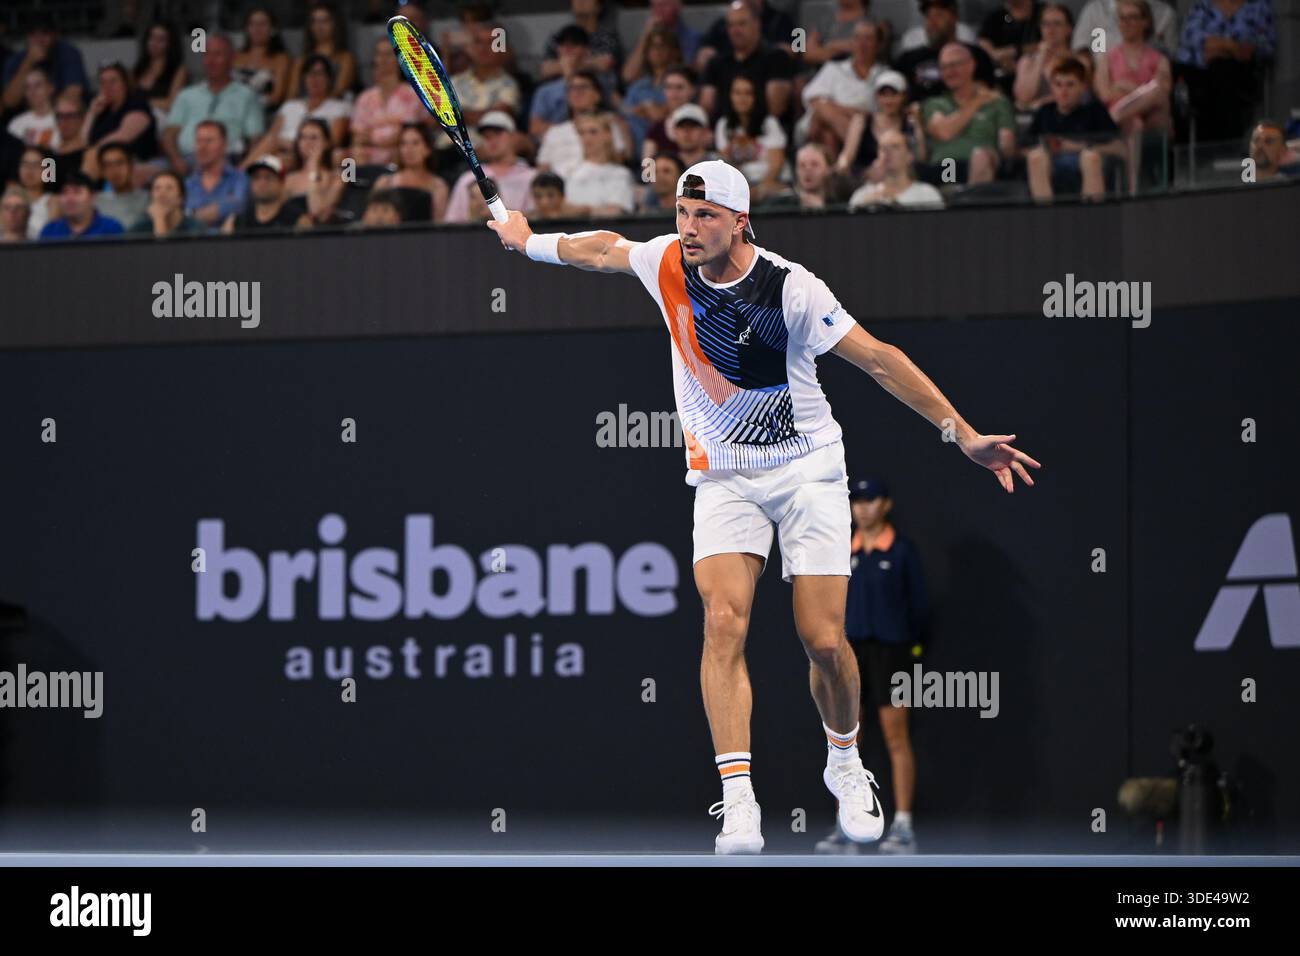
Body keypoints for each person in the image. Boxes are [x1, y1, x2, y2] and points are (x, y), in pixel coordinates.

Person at [488, 160, 1040, 854]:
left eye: (706, 217)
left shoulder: (792, 289)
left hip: (807, 471)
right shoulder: (664, 260)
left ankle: (844, 759)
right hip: (723, 478)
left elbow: (876, 358)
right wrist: (527, 237)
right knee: (722, 623)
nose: (688, 229)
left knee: (824, 641)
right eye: (683, 214)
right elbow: (601, 248)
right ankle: (739, 799)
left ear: (741, 221)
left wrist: (961, 434)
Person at [815, 479, 929, 854]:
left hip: (893, 654)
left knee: (896, 737)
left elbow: (920, 609)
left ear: (886, 504)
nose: (862, 507)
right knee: (847, 739)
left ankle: (903, 824)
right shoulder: (839, 549)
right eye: (857, 500)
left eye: (870, 499)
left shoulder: (901, 551)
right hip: (851, 653)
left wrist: (913, 651)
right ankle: (844, 825)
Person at [1095, 0, 1172, 192]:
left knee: (1156, 92)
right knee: (1135, 122)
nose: (1127, 23)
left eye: (1133, 18)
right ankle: (1133, 189)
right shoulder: (1107, 58)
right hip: (1123, 123)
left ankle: (1119, 114)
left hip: (1152, 118)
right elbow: (1105, 93)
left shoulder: (1159, 59)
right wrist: (1139, 91)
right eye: (1123, 18)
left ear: (1145, 22)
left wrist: (1125, 87)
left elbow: (1161, 93)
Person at [1175, 0, 1275, 143]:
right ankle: (1177, 153)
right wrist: (1230, 46)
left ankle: (1220, 146)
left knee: (1221, 69)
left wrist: (1217, 48)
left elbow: (1265, 46)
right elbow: (1190, 38)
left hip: (1240, 74)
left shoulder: (1258, 6)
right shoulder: (1204, 5)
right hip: (1195, 71)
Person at [1026, 57, 1125, 200]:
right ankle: (1045, 217)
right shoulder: (1044, 112)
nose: (1063, 91)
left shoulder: (1095, 110)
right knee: (1036, 157)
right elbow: (1023, 149)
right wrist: (1045, 147)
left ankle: (1090, 216)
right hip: (1051, 165)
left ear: (1082, 86)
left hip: (1085, 162)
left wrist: (1078, 147)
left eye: (1070, 85)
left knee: (1090, 158)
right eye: (1058, 85)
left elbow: (1120, 148)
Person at [162, 34, 265, 172]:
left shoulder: (247, 96)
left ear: (232, 59)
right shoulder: (186, 95)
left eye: (218, 55)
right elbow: (169, 135)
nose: (211, 61)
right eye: (207, 55)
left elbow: (256, 139)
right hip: (185, 159)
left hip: (226, 161)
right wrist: (176, 160)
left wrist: (244, 169)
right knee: (143, 171)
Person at [921, 43, 1016, 185]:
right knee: (949, 166)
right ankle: (953, 197)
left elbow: (1007, 146)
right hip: (946, 166)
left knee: (980, 157)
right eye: (944, 67)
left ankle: (975, 202)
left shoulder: (997, 102)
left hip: (985, 163)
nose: (949, 72)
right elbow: (944, 132)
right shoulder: (935, 104)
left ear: (971, 65)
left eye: (954, 65)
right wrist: (977, 101)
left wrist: (1005, 146)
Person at [243, 54, 350, 171]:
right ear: (303, 78)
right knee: (272, 148)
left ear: (329, 79)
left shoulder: (340, 108)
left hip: (313, 153)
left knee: (280, 158)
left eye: (319, 74)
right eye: (310, 74)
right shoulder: (290, 106)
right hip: (283, 151)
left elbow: (333, 141)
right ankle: (241, 172)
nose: (314, 79)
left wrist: (295, 145)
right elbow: (272, 135)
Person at [700, 0, 796, 121]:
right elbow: (706, 108)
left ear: (757, 25)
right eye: (731, 25)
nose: (735, 31)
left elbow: (776, 109)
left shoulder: (777, 58)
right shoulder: (716, 64)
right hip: (725, 133)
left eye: (741, 24)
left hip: (765, 133)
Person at [799, 20, 884, 154]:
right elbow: (813, 99)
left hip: (864, 129)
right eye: (857, 38)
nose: (861, 44)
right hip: (817, 129)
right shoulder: (834, 68)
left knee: (827, 131)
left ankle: (837, 168)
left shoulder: (884, 75)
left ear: (878, 45)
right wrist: (848, 111)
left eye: (868, 39)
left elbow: (878, 113)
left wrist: (835, 109)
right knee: (820, 113)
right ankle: (854, 152)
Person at [536, 70, 631, 180]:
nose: (577, 92)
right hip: (559, 190)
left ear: (597, 95)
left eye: (583, 87)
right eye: (572, 88)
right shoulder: (554, 132)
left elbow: (618, 159)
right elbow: (543, 168)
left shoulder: (609, 123)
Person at [444, 112, 536, 223]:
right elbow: (452, 222)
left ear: (513, 136)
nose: (492, 141)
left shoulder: (532, 177)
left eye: (497, 134)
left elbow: (539, 217)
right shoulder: (468, 179)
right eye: (487, 137)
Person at [894, 0, 994, 102]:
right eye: (928, 16)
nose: (932, 23)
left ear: (954, 18)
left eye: (939, 15)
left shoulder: (976, 55)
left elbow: (990, 94)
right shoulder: (908, 60)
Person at [838, 70, 925, 180]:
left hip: (900, 177)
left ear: (903, 96)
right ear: (876, 96)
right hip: (864, 178)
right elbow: (847, 156)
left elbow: (920, 157)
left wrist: (917, 124)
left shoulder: (909, 122)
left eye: (894, 94)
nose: (888, 100)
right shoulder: (862, 120)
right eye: (883, 94)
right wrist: (841, 170)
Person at [352, 38, 425, 167]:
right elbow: (358, 136)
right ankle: (356, 184)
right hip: (369, 153)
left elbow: (405, 133)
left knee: (402, 150)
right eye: (379, 54)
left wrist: (373, 138)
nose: (383, 59)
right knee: (351, 154)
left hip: (398, 152)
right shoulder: (365, 98)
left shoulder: (412, 95)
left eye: (388, 54)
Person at [80, 62, 158, 180]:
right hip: (103, 160)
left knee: (92, 155)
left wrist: (93, 150)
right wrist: (92, 113)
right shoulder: (102, 111)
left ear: (125, 83)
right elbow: (82, 141)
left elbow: (122, 137)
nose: (107, 86)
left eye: (113, 81)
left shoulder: (137, 105)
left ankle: (83, 191)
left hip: (135, 160)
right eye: (103, 82)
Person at [715, 75, 788, 198]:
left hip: (770, 182)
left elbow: (776, 164)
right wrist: (745, 190)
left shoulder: (769, 123)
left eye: (748, 93)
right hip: (741, 186)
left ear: (756, 97)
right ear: (730, 96)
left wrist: (760, 190)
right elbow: (727, 163)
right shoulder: (723, 125)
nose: (742, 98)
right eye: (737, 93)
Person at [1, 13, 88, 112]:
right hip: (27, 117)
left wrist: (44, 114)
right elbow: (9, 101)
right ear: (26, 37)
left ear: (55, 35)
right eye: (33, 34)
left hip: (61, 115)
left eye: (44, 33)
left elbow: (73, 94)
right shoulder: (16, 59)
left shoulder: (68, 53)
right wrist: (28, 62)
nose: (39, 40)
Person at [621, 26, 683, 155]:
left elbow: (672, 111)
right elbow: (627, 112)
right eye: (653, 46)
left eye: (662, 46)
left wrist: (651, 110)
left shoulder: (681, 80)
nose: (657, 51)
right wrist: (647, 108)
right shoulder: (638, 86)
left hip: (670, 149)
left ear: (674, 50)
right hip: (637, 149)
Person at [849, 128, 944, 208]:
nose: (887, 152)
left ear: (909, 156)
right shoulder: (862, 196)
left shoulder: (927, 195)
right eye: (883, 148)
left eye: (895, 147)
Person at [450, 22, 521, 129]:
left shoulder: (509, 84)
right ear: (471, 47)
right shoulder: (453, 81)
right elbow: (434, 118)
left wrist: (455, 115)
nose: (484, 48)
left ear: (503, 49)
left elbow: (497, 118)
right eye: (479, 42)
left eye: (492, 43)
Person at [373, 123, 450, 222]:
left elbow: (439, 224)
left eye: (415, 143)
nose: (409, 149)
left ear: (428, 149)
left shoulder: (438, 186)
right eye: (403, 143)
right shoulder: (384, 183)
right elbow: (371, 219)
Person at [563, 114, 637, 216]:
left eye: (593, 132)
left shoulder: (620, 174)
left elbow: (618, 210)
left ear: (608, 135)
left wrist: (586, 210)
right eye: (582, 133)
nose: (587, 138)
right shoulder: (570, 172)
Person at [184, 120, 250, 229]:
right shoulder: (188, 184)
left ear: (224, 145)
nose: (202, 147)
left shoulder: (240, 179)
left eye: (209, 141)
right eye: (199, 141)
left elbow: (239, 205)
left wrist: (193, 215)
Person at [622, 0, 701, 87]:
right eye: (654, 6)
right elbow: (628, 76)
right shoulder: (647, 36)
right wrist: (646, 36)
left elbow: (686, 73)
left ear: (678, 6)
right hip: (646, 90)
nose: (658, 10)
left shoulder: (692, 38)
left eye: (663, 5)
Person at [288, 2, 357, 99]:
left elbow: (338, 92)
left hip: (332, 109)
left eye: (324, 21)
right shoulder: (301, 61)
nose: (319, 26)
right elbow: (291, 94)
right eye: (314, 21)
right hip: (303, 109)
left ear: (335, 24)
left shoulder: (345, 59)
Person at [283, 118, 343, 227]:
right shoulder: (289, 179)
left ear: (327, 143)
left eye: (314, 138)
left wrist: (314, 167)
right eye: (303, 137)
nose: (307, 142)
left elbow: (316, 211)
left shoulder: (336, 179)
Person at [1013, 3, 1074, 112]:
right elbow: (1023, 98)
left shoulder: (1077, 60)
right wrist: (1040, 58)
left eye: (1057, 24)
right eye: (1046, 24)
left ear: (1068, 29)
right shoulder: (1027, 61)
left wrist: (1043, 103)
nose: (1051, 29)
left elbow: (1078, 95)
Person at [979, 0, 1043, 95]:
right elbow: (983, 43)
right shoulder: (997, 16)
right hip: (1002, 76)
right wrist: (998, 57)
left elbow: (1048, 43)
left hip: (1037, 73)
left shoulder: (1043, 13)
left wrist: (1015, 51)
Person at [233, 7, 292, 111]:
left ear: (273, 29)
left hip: (262, 112)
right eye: (252, 24)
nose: (257, 28)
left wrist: (249, 106)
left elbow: (276, 96)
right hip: (231, 108)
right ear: (247, 28)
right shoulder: (235, 56)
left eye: (262, 24)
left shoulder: (281, 59)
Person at [39, 171, 124, 240]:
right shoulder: (50, 231)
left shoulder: (112, 229)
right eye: (65, 192)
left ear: (92, 197)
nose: (69, 199)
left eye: (77, 192)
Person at [223, 155, 299, 232]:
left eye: (268, 177)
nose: (262, 183)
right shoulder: (236, 222)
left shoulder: (296, 220)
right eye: (256, 177)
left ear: (281, 183)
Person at [1074, 0, 1179, 54]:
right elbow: (1080, 48)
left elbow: (1172, 55)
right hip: (1100, 83)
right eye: (1123, 18)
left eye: (1133, 17)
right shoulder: (1094, 10)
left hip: (1148, 84)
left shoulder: (1165, 13)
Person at [133, 21, 187, 124]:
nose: (154, 43)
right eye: (152, 38)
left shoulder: (178, 71)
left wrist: (142, 103)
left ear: (170, 44)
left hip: (163, 120)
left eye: (161, 40)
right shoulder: (138, 69)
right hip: (137, 118)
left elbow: (172, 104)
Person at [641, 66, 698, 160]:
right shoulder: (656, 129)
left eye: (679, 87)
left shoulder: (705, 125)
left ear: (692, 90)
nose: (674, 93)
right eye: (669, 87)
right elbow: (647, 169)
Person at [128, 169, 204, 237]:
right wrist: (159, 218)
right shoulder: (140, 229)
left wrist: (159, 219)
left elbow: (165, 252)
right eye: (157, 188)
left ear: (181, 198)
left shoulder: (195, 228)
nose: (162, 193)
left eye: (169, 188)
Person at [93, 143, 149, 226]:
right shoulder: (95, 203)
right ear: (102, 172)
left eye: (119, 163)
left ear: (131, 166)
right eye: (108, 165)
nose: (115, 171)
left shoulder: (148, 199)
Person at [7, 66, 57, 148]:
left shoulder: (63, 120)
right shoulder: (16, 124)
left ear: (50, 88)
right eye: (27, 87)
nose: (32, 91)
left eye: (38, 85)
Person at [13, 146, 57, 238]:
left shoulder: (53, 201)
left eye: (36, 165)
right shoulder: (8, 200)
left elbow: (52, 236)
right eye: (25, 164)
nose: (29, 170)